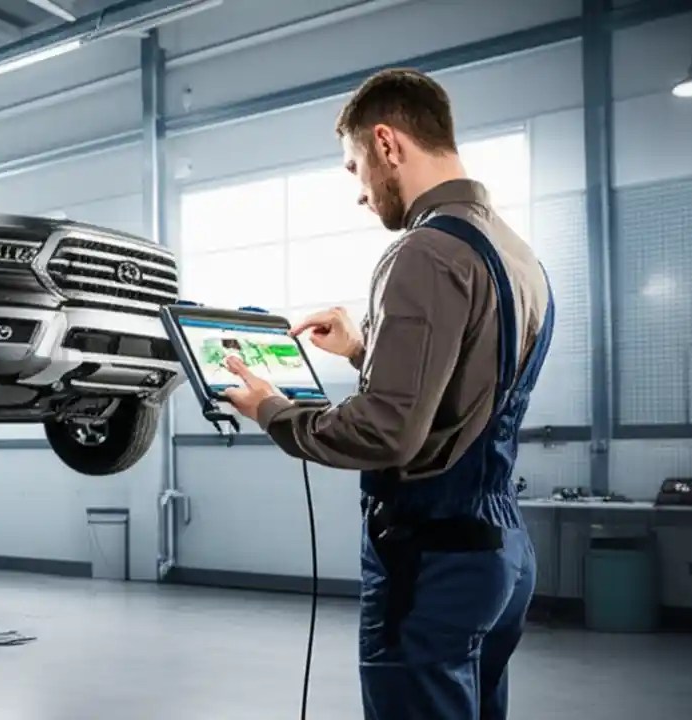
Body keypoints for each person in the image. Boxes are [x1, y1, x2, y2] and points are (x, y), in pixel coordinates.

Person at [220, 67, 554, 720]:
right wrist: (359, 347)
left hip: (432, 559)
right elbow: (468, 384)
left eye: (354, 169)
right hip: (500, 551)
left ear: (387, 144)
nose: (360, 194)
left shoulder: (423, 253)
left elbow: (385, 431)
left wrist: (273, 411)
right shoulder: (516, 253)